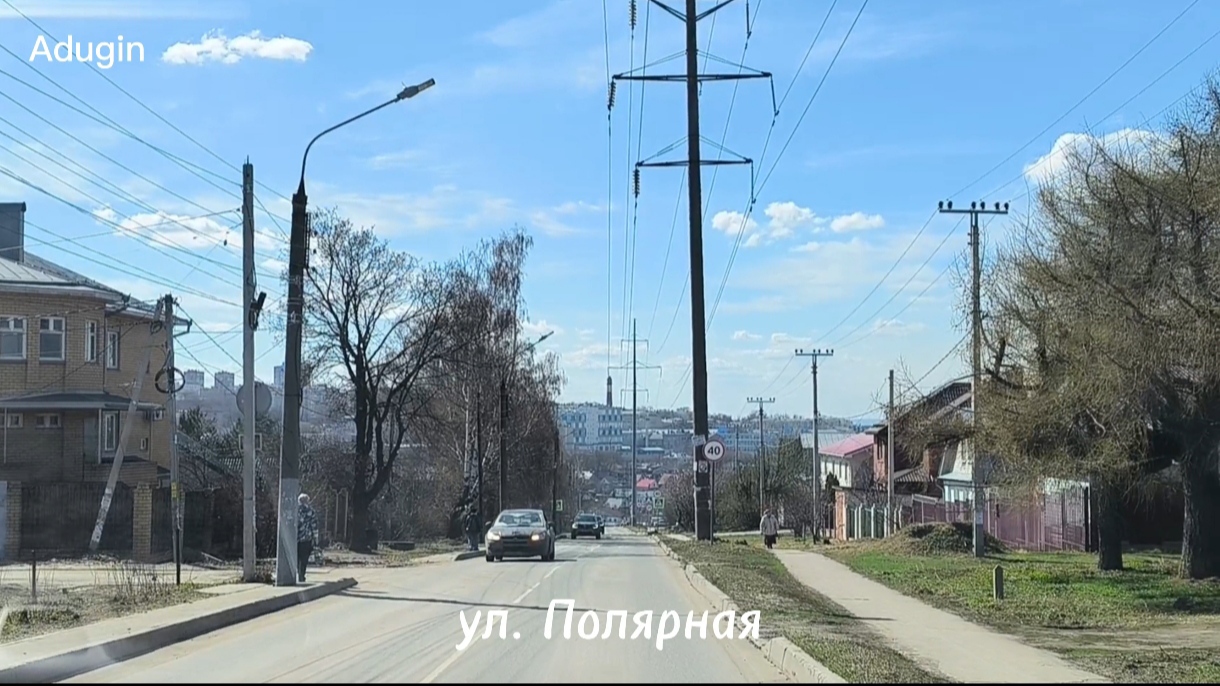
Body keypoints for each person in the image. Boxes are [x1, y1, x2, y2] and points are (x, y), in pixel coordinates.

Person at [297, 493, 319, 582]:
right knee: (304, 558)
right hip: (307, 538)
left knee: (297, 557)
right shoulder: (311, 511)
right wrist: (316, 538)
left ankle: (298, 571)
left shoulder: (296, 511)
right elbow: (314, 526)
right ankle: (301, 574)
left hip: (296, 539)